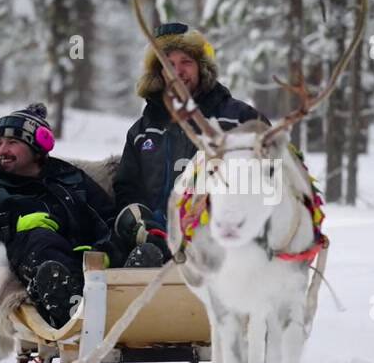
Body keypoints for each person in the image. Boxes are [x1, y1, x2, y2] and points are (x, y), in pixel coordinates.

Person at [0, 104, 118, 327]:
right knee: (40, 237)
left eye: (12, 142)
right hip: (39, 267)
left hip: (90, 262)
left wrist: (104, 251)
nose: (2, 150)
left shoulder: (72, 180)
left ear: (39, 146)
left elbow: (108, 220)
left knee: (131, 230)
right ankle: (69, 303)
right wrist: (11, 223)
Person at [113, 22, 267, 266]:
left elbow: (272, 180)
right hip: (156, 243)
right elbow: (127, 190)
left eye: (186, 62)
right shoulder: (142, 131)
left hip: (224, 244)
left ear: (201, 67)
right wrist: (147, 230)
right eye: (168, 64)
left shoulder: (240, 119)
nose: (177, 71)